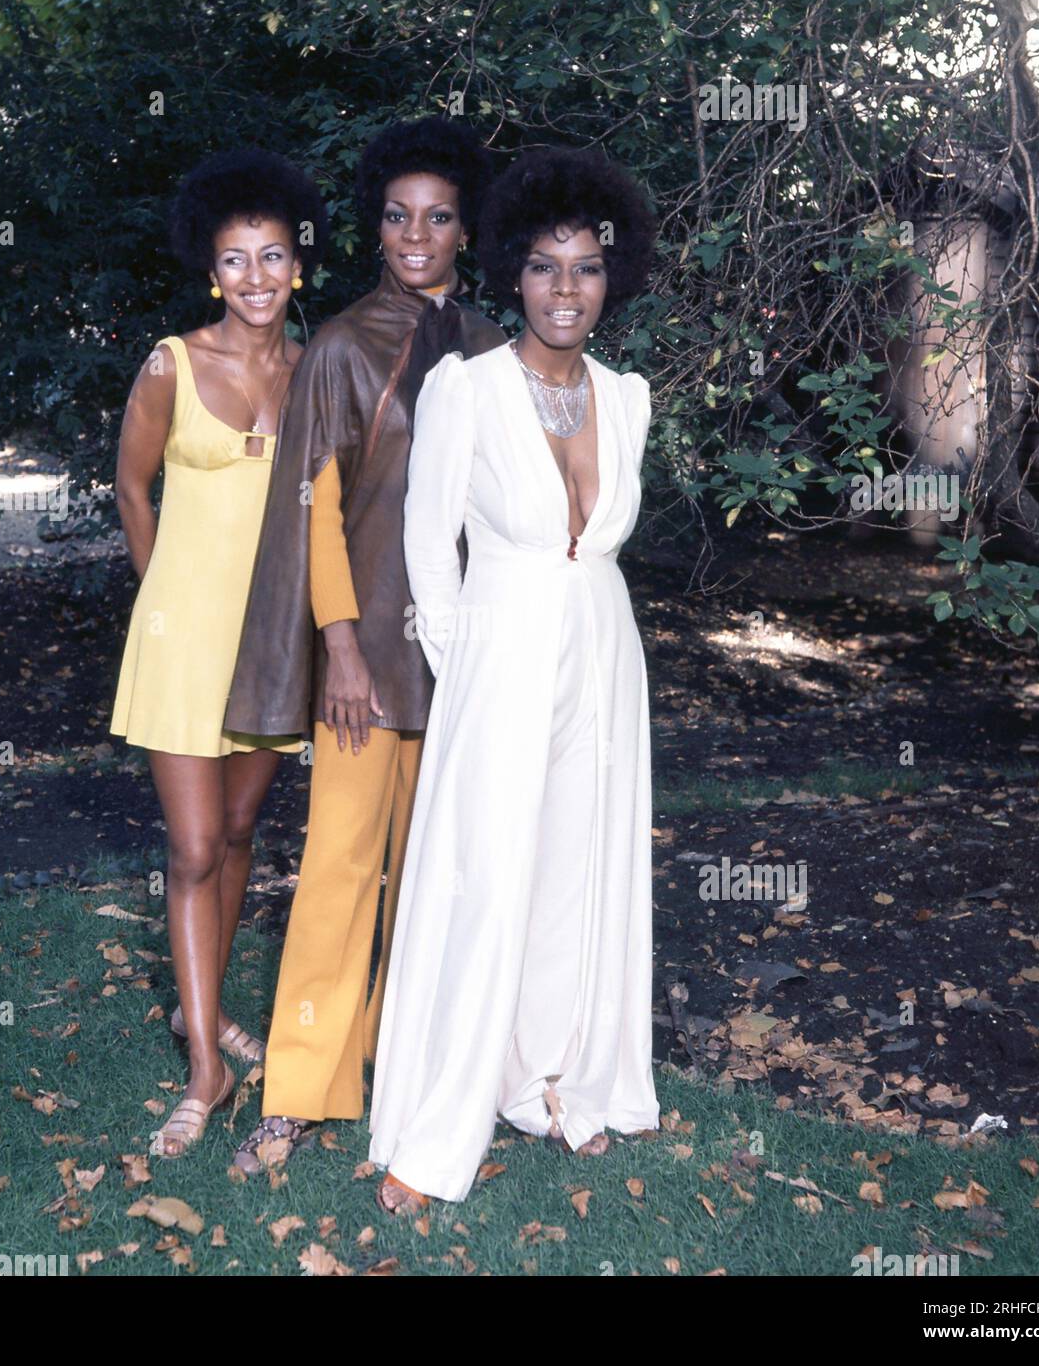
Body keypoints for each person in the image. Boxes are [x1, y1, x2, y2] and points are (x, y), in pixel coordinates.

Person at [368, 146, 661, 1211]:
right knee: (484, 885)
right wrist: (469, 664)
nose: (566, 290)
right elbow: (420, 539)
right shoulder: (466, 388)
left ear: (608, 278)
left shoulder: (627, 399)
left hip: (601, 651)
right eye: (544, 267)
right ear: (511, 273)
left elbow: (597, 548)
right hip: (498, 653)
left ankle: (548, 1082)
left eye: (585, 268)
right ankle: (434, 1126)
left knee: (574, 875)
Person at [225, 116, 506, 1173]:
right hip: (369, 660)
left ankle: (418, 1077)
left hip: (471, 657)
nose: (415, 236)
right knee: (339, 871)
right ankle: (298, 1087)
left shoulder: (496, 347)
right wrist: (339, 649)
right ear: (374, 226)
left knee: (441, 877)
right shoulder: (342, 345)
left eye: (436, 218)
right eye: (396, 217)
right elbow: (315, 506)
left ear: (466, 229)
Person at [109, 149, 327, 1156]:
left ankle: (203, 1006)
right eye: (234, 259)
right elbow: (132, 484)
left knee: (239, 834)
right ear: (211, 270)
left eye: (271, 256)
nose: (253, 277)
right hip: (184, 639)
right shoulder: (171, 362)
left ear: (296, 265)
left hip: (277, 643)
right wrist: (159, 595)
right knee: (194, 846)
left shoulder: (317, 368)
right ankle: (205, 1064)